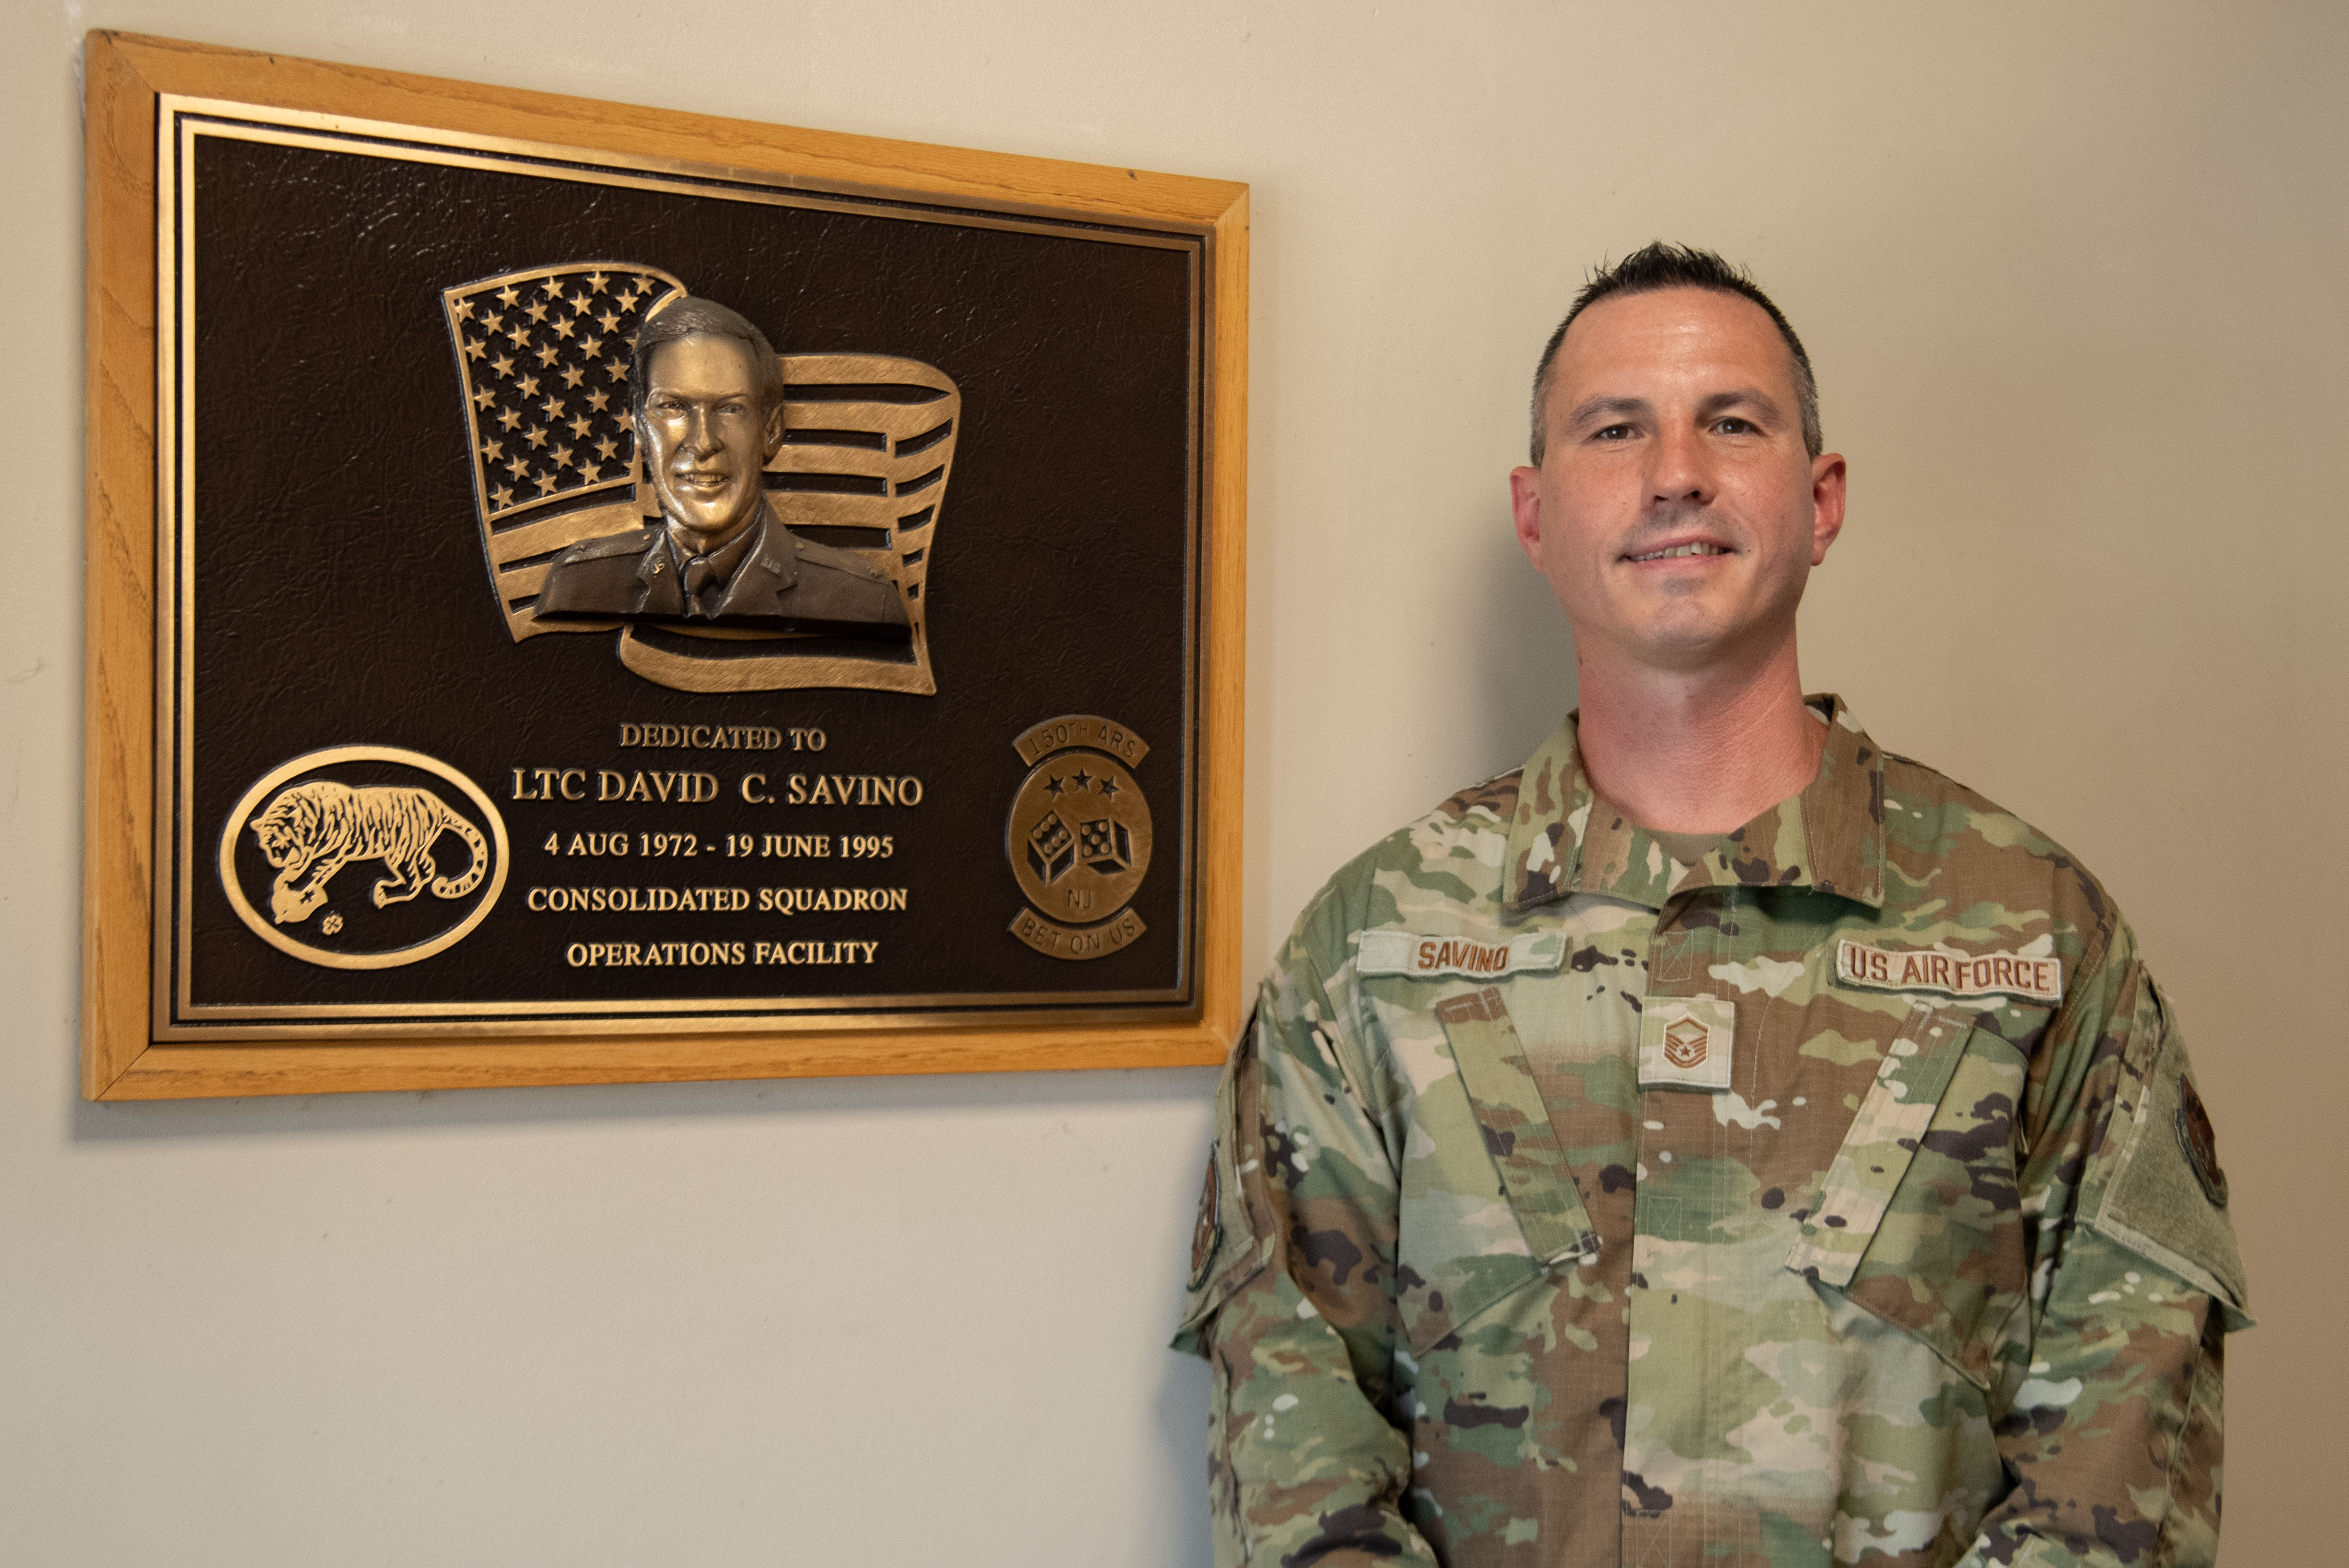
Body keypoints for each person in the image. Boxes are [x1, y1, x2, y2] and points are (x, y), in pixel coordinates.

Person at [1173, 243, 2247, 1568]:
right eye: (1614, 428)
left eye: (1731, 423)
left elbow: (2121, 1449)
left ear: (1821, 499)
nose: (1675, 471)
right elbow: (1294, 1434)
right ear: (1534, 515)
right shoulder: (1376, 944)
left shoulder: (2035, 934)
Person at [534, 296, 911, 638]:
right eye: (673, 407)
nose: (703, 442)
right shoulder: (577, 583)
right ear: (640, 427)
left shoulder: (863, 600)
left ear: (771, 431)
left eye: (731, 409)